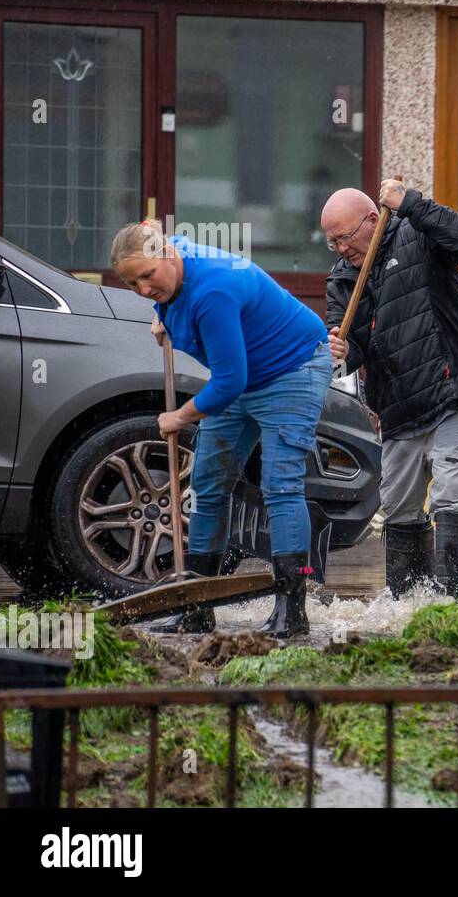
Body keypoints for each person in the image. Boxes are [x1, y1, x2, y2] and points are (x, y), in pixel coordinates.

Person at [110, 219, 332, 636]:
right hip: (243, 375)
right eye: (131, 284)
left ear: (168, 256)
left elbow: (229, 382)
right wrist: (165, 317)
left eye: (147, 277)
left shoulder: (213, 289)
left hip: (294, 368)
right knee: (209, 485)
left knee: (280, 484)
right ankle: (196, 608)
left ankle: (292, 610)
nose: (142, 289)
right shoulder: (165, 256)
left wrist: (178, 416)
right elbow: (165, 279)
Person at [323, 180, 458, 601]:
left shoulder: (416, 233)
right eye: (332, 243)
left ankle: (448, 601)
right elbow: (352, 353)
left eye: (344, 238)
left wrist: (412, 203)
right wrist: (342, 349)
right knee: (398, 506)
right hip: (398, 407)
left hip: (452, 390)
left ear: (371, 221)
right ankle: (406, 603)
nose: (341, 249)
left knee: (452, 493)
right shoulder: (344, 280)